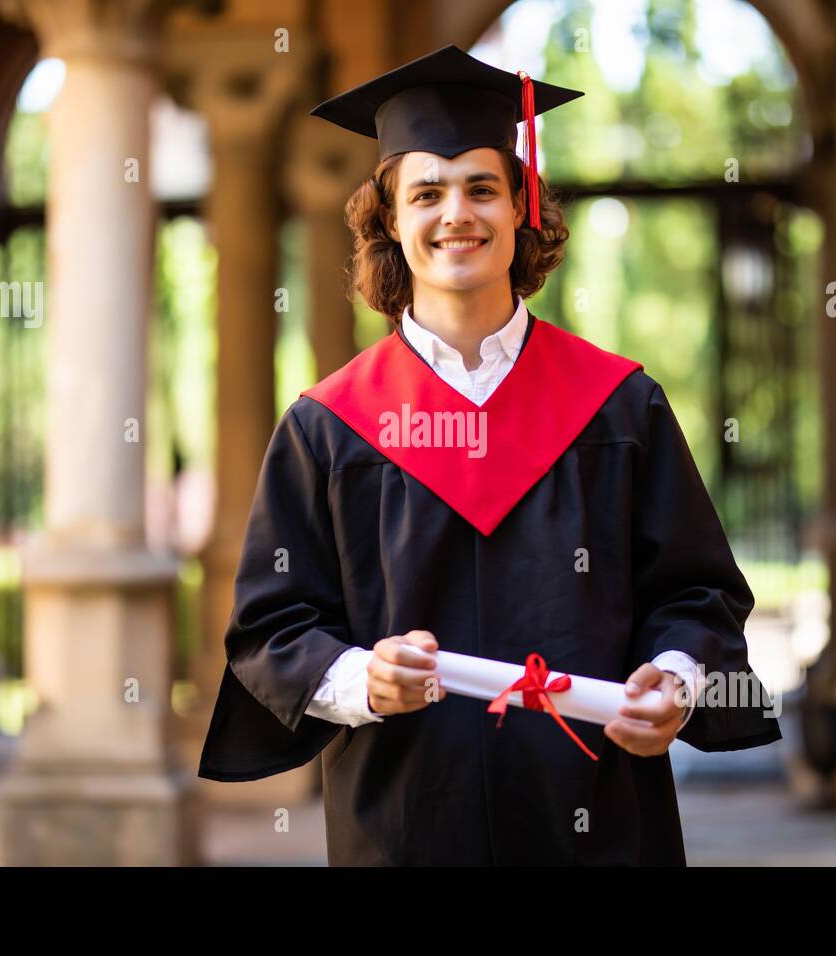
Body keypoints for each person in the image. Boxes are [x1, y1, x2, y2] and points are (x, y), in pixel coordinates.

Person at [198, 44, 781, 865]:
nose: (456, 214)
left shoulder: (617, 407)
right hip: (404, 825)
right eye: (426, 193)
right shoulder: (329, 427)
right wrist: (362, 678)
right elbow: (272, 629)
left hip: (596, 823)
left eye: (482, 188)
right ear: (391, 224)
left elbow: (696, 594)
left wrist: (676, 683)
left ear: (522, 207)